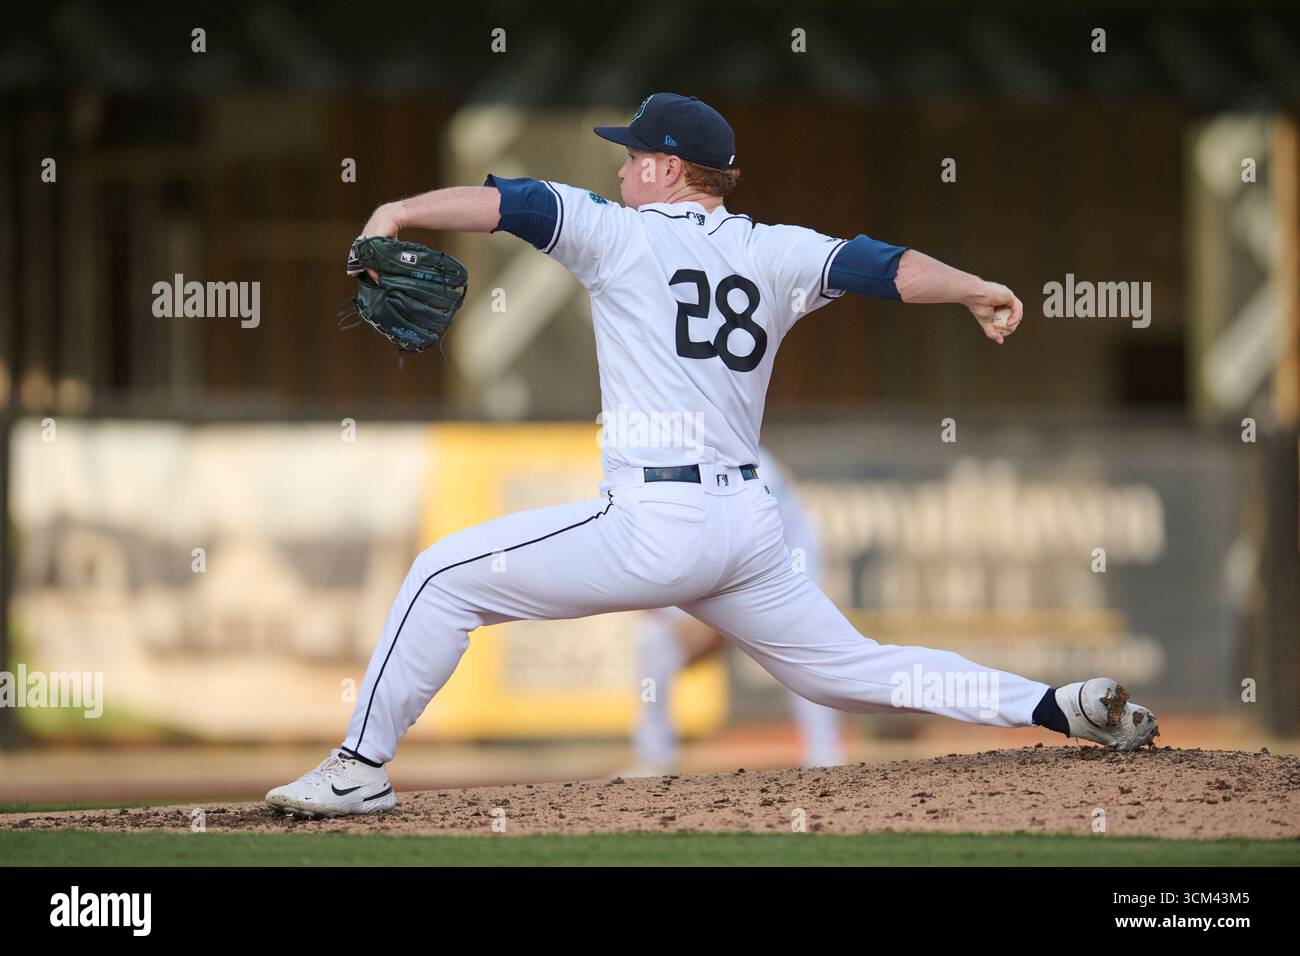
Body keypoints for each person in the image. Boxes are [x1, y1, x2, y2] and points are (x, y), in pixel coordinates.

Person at [266, 93, 1157, 818]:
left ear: (662, 168)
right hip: (746, 528)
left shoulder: (615, 230)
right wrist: (977, 290)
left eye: (629, 157)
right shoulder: (776, 249)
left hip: (657, 519)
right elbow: (883, 266)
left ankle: (357, 768)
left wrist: (396, 211)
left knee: (440, 576)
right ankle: (1055, 707)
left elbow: (512, 203)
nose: (618, 169)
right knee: (853, 673)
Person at [628, 447, 843, 775]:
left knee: (807, 649)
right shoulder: (674, 463)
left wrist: (716, 624)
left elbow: (751, 548)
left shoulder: (756, 467)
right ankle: (655, 757)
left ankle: (825, 755)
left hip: (784, 568)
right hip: (713, 573)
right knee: (653, 638)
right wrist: (660, 603)